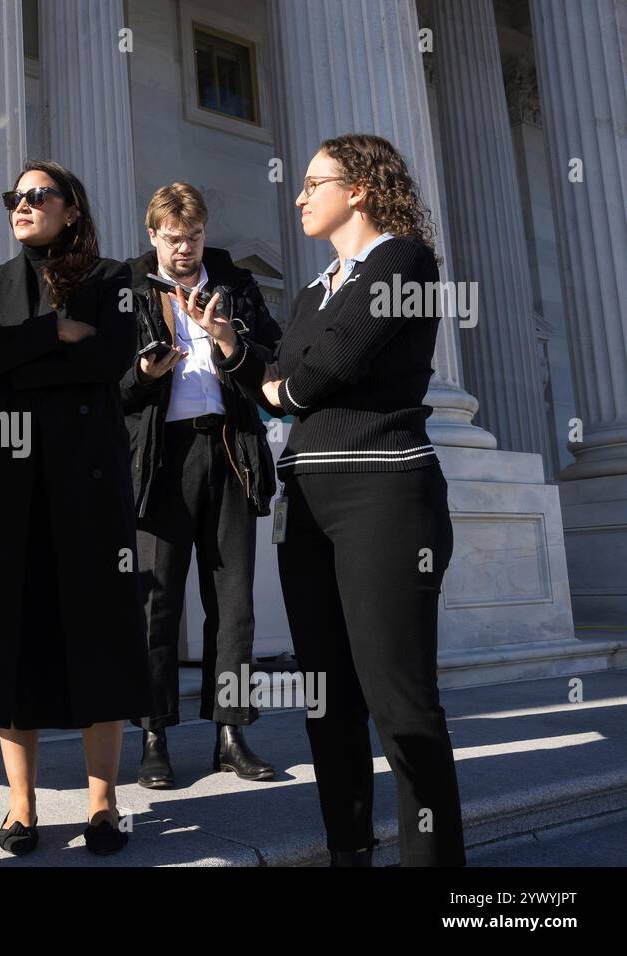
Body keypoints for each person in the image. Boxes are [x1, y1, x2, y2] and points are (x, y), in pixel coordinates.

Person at [187, 133, 465, 866]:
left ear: (362, 188)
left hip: (386, 493)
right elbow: (277, 385)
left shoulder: (404, 261)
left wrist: (287, 380)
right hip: (305, 501)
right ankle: (350, 854)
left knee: (401, 705)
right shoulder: (312, 290)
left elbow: (321, 371)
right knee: (326, 700)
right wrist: (230, 349)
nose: (301, 194)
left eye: (315, 183)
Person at [0, 161, 150, 856]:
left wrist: (12, 348)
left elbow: (110, 359)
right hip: (8, 485)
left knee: (99, 637)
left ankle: (103, 805)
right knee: (12, 642)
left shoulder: (113, 279)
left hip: (88, 487)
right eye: (15, 198)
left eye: (39, 196)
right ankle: (21, 807)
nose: (23, 205)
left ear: (71, 207)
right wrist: (53, 333)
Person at [120, 183, 282, 788]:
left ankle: (231, 734)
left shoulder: (237, 285)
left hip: (230, 449)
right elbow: (108, 389)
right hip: (160, 458)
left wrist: (227, 341)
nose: (184, 248)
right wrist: (141, 374)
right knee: (156, 601)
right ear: (152, 234)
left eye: (193, 237)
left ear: (204, 232)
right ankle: (154, 736)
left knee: (234, 601)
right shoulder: (127, 291)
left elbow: (276, 354)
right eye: (172, 238)